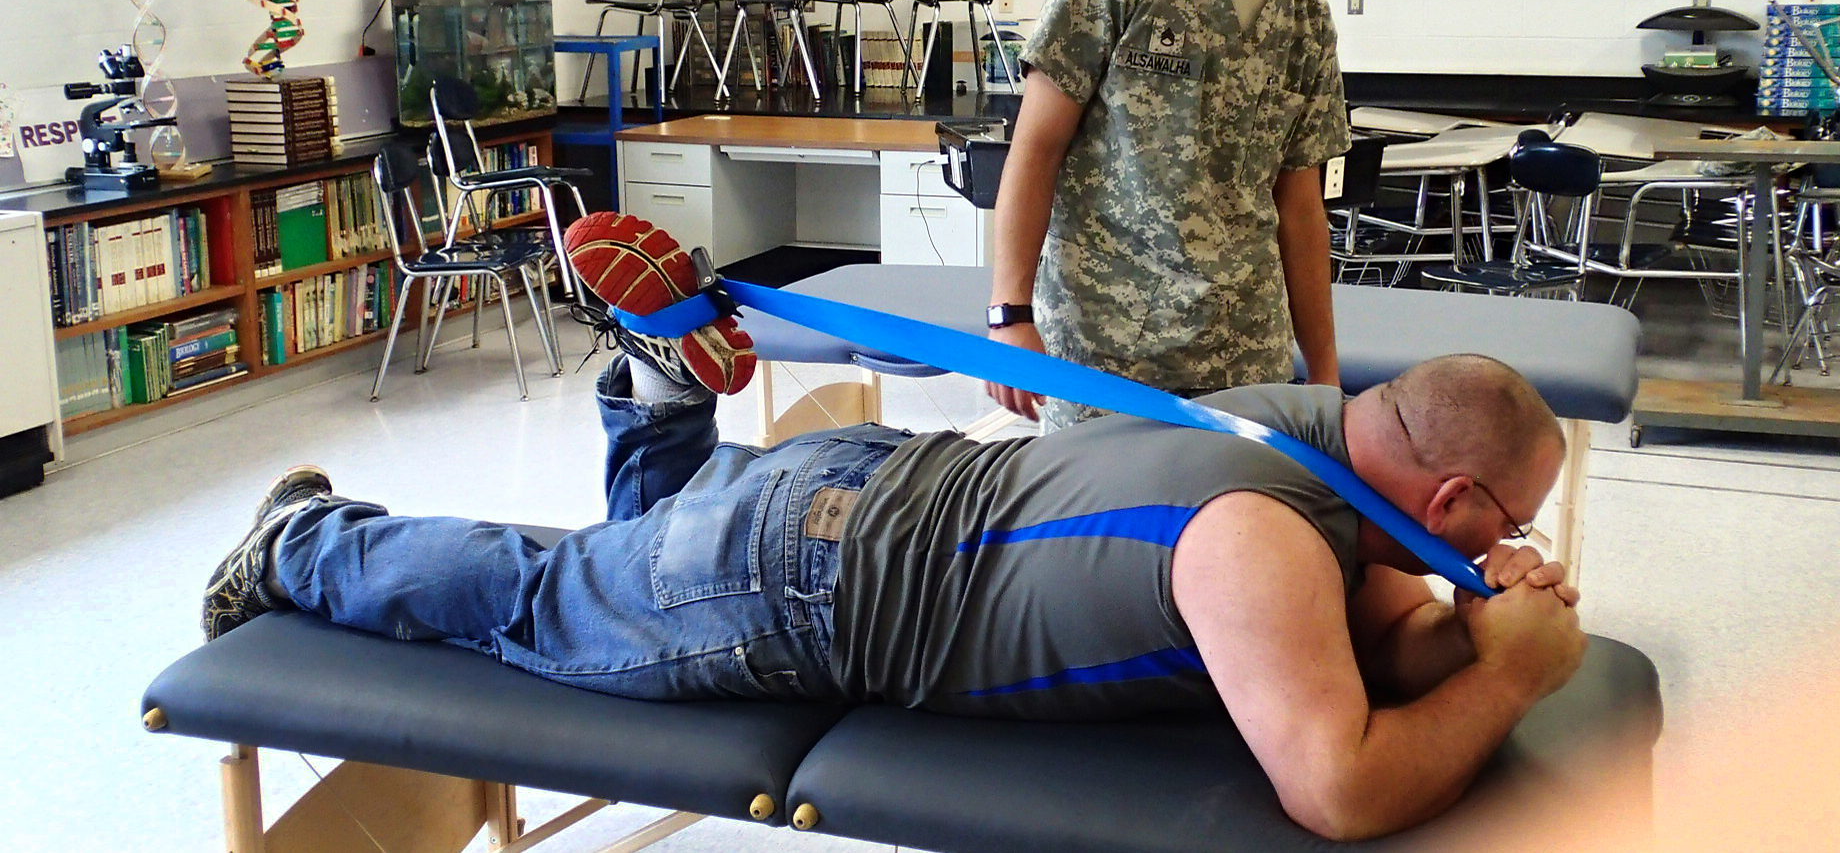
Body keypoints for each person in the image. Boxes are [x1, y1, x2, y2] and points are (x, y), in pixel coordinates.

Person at [203, 215, 1584, 843]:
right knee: (545, 592)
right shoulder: (1263, 543)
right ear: (1452, 501)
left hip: (856, 491)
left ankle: (662, 393)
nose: (1510, 539)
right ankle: (303, 544)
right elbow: (1337, 790)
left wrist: (1459, 628)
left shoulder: (1283, 418)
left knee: (648, 555)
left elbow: (1363, 640)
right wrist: (1511, 672)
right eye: (1505, 520)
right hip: (804, 583)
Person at [986, 0, 1391, 429]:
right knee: (1102, 530)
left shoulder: (1305, 17)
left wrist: (1322, 372)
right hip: (1107, 352)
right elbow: (1035, 146)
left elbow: (1300, 204)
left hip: (1244, 359)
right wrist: (1009, 315)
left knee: (1235, 529)